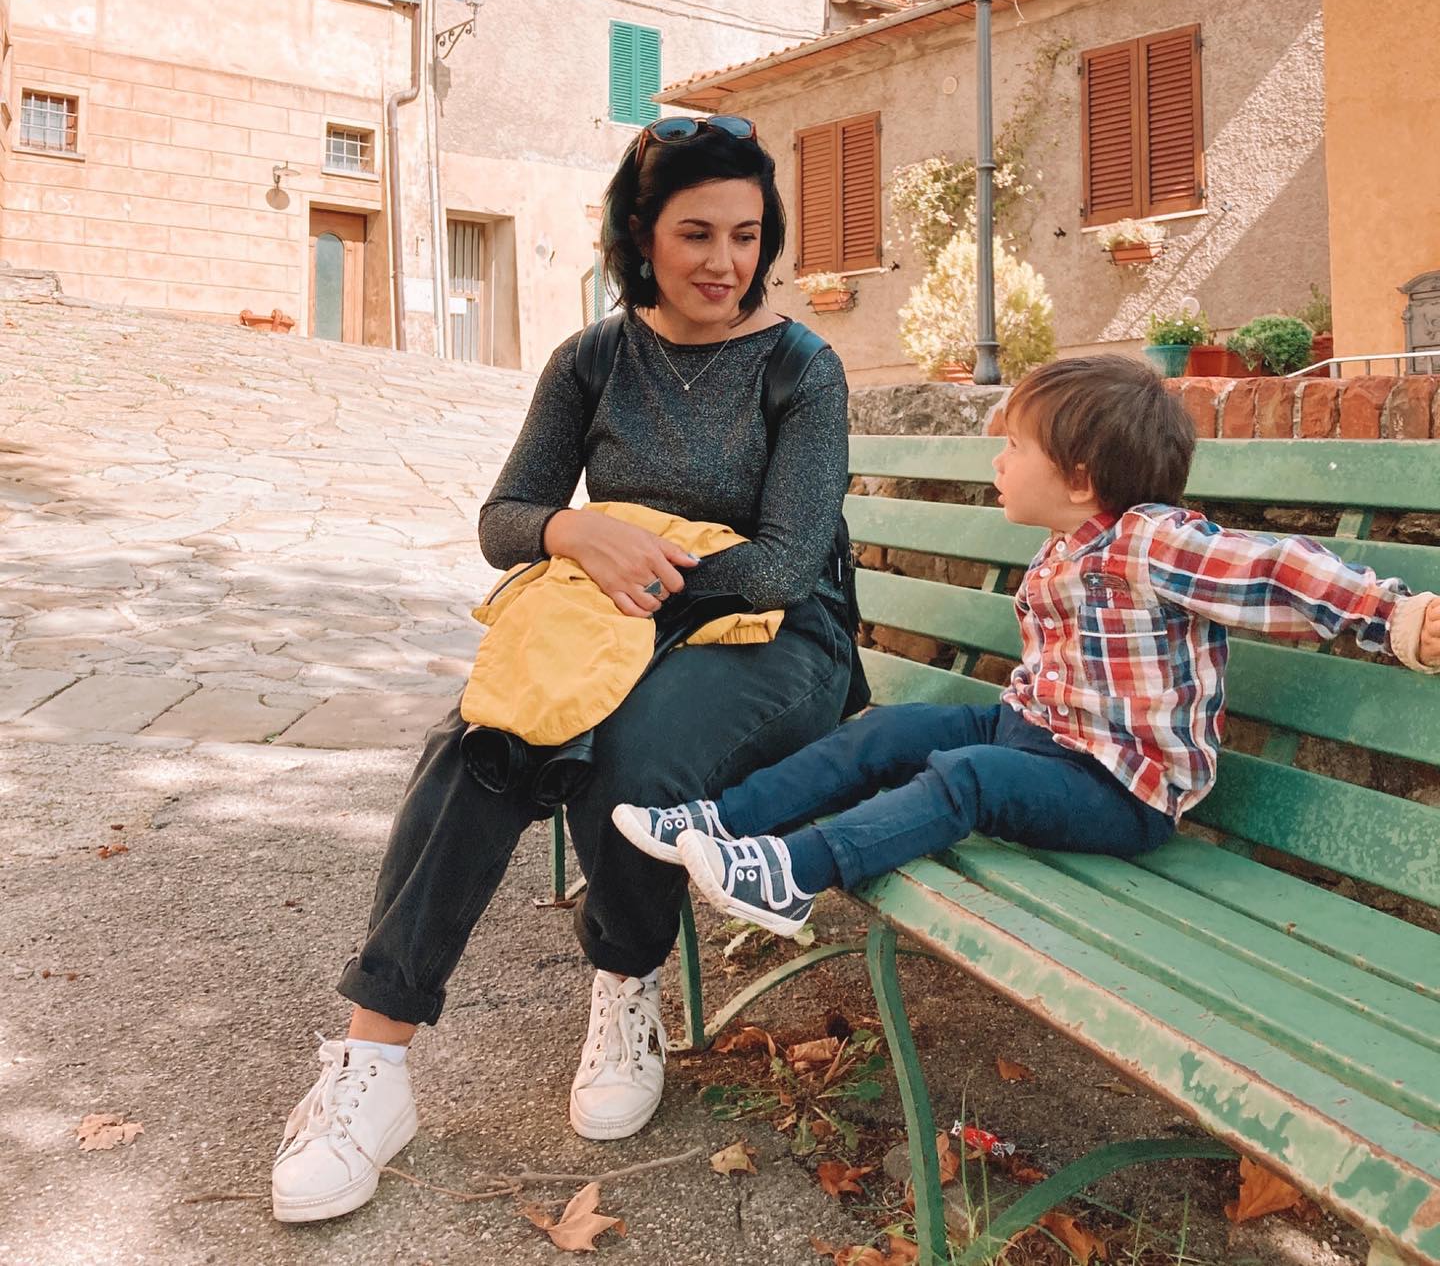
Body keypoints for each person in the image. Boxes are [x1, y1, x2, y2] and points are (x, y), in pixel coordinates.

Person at [271, 116, 861, 1224]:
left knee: (632, 749)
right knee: (480, 741)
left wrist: (637, 560)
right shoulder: (592, 359)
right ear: (640, 234)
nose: (725, 262)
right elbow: (506, 518)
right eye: (696, 234)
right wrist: (574, 532)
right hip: (609, 619)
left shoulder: (800, 367)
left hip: (779, 638)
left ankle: (626, 985)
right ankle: (372, 1066)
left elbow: (786, 562)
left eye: (746, 235)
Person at [613, 354, 1440, 937]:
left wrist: (1397, 618)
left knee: (968, 779)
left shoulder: (1152, 542)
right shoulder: (1067, 543)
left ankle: (795, 873)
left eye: (1015, 447)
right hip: (1038, 735)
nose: (999, 460)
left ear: (1080, 479)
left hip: (1119, 790)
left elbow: (1274, 569)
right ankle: (721, 821)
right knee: (889, 729)